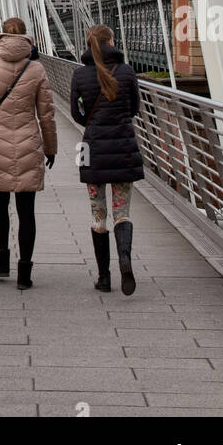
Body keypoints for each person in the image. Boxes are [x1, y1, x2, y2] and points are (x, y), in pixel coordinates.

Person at [0, 16, 57, 289]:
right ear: (25, 37)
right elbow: (47, 115)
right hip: (29, 142)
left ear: (1, 36)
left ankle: (2, 262)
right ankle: (25, 272)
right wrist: (51, 148)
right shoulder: (36, 70)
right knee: (26, 210)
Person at [70, 23, 144, 296]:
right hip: (124, 145)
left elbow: (77, 115)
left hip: (92, 150)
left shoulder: (80, 75)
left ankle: (103, 277)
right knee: (121, 212)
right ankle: (125, 257)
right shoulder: (127, 72)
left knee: (97, 213)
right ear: (111, 42)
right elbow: (134, 108)